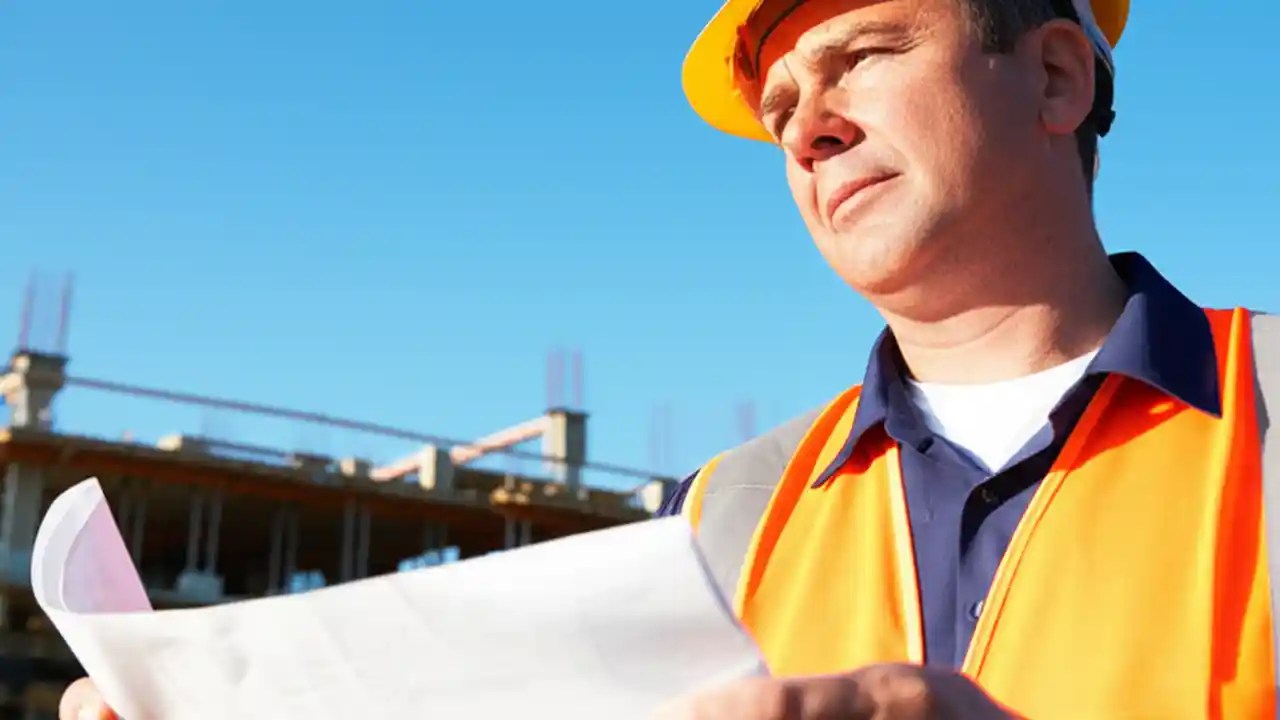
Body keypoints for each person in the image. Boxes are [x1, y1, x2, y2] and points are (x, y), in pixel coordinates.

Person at [57, 0, 1280, 718]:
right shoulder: (732, 510)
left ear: (1056, 76)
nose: (809, 124)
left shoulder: (1267, 416)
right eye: (779, 104)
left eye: (863, 53)